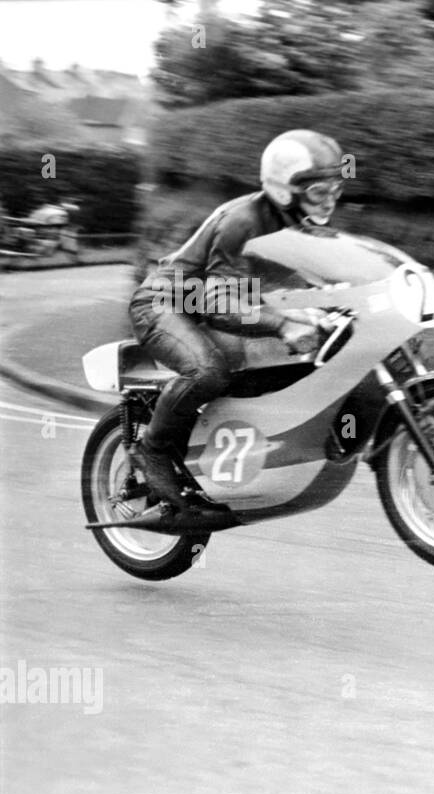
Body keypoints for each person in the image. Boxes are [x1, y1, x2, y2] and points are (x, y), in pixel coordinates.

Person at [126, 129, 347, 510]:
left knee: (289, 361)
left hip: (210, 306)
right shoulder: (242, 220)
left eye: (334, 190)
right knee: (207, 371)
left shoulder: (299, 224)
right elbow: (218, 302)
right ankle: (153, 449)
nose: (328, 202)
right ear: (285, 188)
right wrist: (283, 323)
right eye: (317, 192)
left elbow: (305, 280)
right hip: (164, 304)